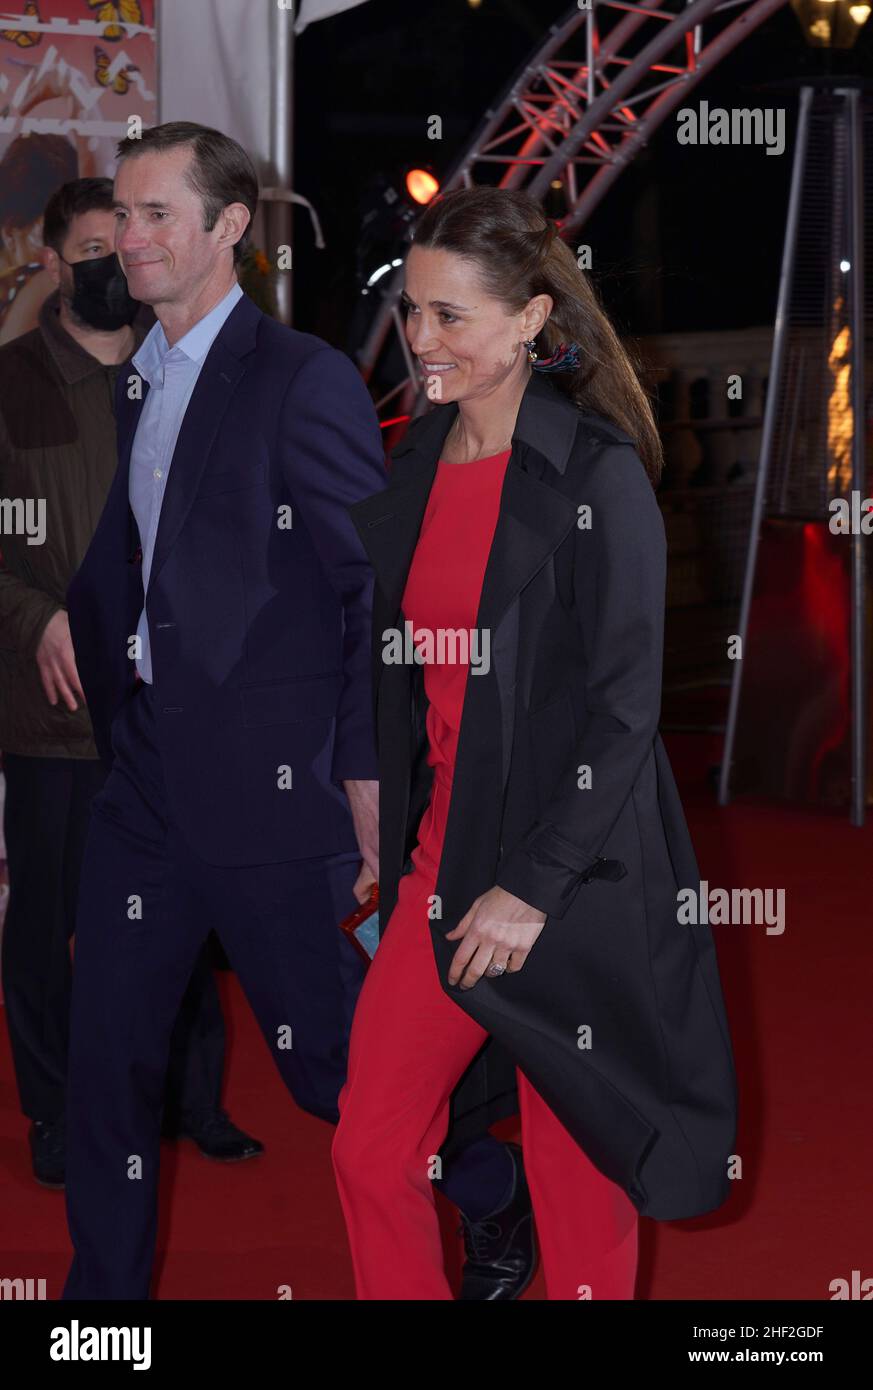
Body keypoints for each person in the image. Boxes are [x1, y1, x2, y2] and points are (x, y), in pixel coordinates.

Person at [60, 123, 534, 1301]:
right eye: (124, 213)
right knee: (104, 1055)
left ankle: (489, 1192)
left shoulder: (299, 375)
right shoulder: (140, 378)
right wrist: (79, 622)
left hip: (276, 788)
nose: (131, 236)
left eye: (159, 212)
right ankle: (96, 1315)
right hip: (150, 775)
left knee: (336, 1074)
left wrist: (367, 770)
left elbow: (370, 585)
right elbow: (150, 551)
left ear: (231, 230)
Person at [333, 185, 739, 1300]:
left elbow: (623, 710)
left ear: (531, 320)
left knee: (578, 1172)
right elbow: (402, 671)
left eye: (451, 316)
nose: (421, 340)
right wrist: (386, 804)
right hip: (439, 866)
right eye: (411, 310)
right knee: (370, 1146)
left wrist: (532, 888)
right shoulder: (415, 461)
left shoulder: (596, 476)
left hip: (572, 876)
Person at [0, 177, 261, 1191]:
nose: (121, 259)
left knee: (186, 908)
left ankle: (191, 1104)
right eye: (95, 247)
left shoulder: (184, 373)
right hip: (53, 706)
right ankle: (55, 1110)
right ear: (57, 261)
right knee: (49, 925)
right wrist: (41, 617)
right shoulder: (12, 383)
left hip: (175, 706)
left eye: (136, 236)